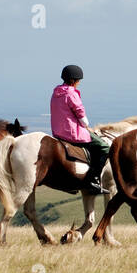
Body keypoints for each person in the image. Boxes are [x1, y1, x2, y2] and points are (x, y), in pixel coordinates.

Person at [51, 64, 110, 194]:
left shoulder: (56, 92)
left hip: (57, 132)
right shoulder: (71, 93)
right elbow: (81, 115)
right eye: (78, 81)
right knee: (104, 147)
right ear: (73, 81)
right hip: (71, 133)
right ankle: (93, 180)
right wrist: (87, 127)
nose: (79, 83)